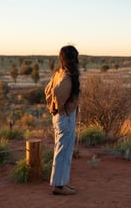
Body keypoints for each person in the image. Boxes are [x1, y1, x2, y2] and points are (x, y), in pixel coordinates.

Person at [45, 45, 80, 195]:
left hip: (60, 116)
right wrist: (61, 108)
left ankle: (61, 184)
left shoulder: (58, 73)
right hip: (65, 117)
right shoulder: (67, 76)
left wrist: (53, 108)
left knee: (61, 150)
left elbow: (47, 90)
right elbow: (56, 93)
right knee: (63, 151)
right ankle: (59, 186)